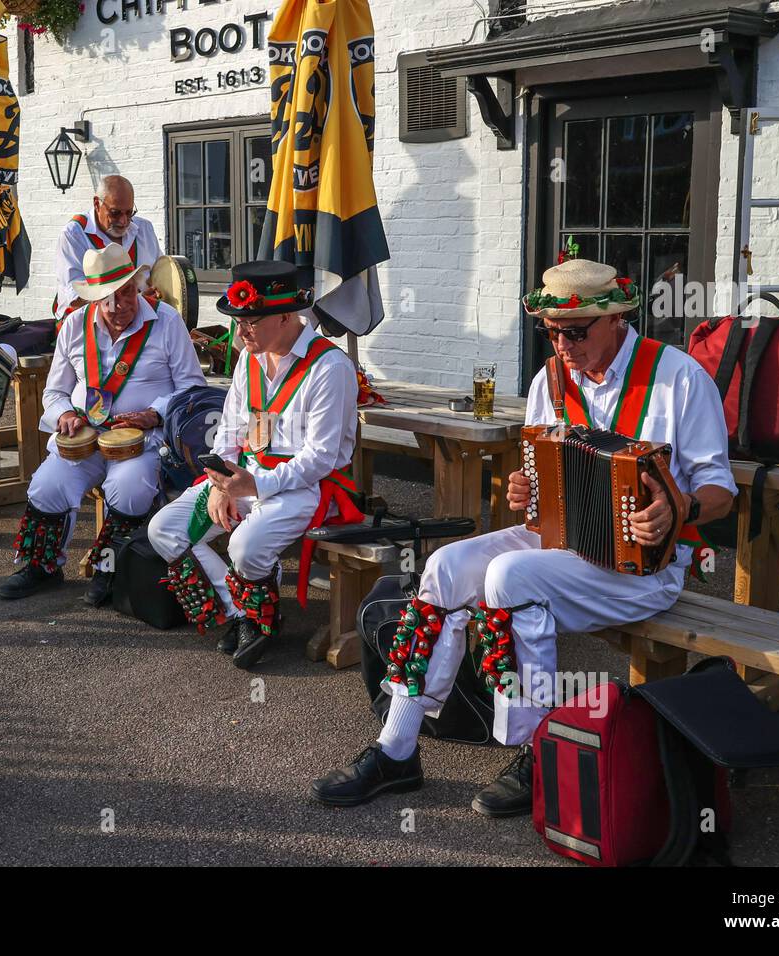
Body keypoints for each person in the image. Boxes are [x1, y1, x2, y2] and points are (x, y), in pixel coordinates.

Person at [312, 258, 737, 813]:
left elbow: (721, 492)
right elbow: (544, 485)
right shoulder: (550, 380)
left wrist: (679, 506)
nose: (562, 344)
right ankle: (397, 751)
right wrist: (527, 489)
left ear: (616, 320)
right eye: (551, 331)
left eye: (576, 331)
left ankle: (541, 751)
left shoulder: (679, 378)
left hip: (648, 566)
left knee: (511, 577)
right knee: (443, 568)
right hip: (564, 544)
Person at [147, 261, 361, 669]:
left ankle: (257, 616)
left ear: (285, 316)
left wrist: (253, 487)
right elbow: (229, 429)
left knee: (244, 546)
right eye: (237, 321)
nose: (240, 332)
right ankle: (246, 613)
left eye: (250, 321)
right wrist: (218, 485)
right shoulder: (249, 358)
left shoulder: (330, 367)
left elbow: (321, 458)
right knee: (165, 530)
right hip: (244, 478)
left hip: (306, 488)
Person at [0, 243, 204, 606]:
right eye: (105, 299)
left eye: (124, 294)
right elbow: (54, 392)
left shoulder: (166, 321)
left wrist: (155, 413)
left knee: (129, 487)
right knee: (47, 484)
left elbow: (192, 387)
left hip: (141, 439)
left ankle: (111, 570)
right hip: (85, 437)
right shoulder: (75, 326)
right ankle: (42, 566)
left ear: (136, 284)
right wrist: (63, 414)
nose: (116, 307)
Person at [53, 174, 162, 322]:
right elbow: (76, 298)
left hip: (145, 321)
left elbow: (161, 273)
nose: (124, 221)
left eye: (129, 213)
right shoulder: (73, 235)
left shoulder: (145, 229)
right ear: (97, 204)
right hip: (86, 326)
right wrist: (137, 302)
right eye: (115, 213)